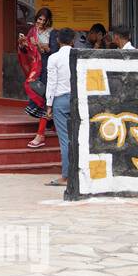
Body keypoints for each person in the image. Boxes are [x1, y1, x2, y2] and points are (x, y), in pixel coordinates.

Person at [18, 7, 56, 148]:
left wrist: (38, 44)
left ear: (48, 21)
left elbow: (52, 50)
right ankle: (49, 125)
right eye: (39, 19)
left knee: (47, 98)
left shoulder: (52, 32)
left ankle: (41, 133)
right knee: (42, 97)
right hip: (36, 68)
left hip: (48, 68)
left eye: (43, 20)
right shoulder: (32, 31)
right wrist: (23, 44)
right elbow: (27, 51)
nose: (40, 22)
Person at [44, 28, 76, 187]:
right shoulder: (77, 56)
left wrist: (48, 105)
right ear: (73, 40)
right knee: (78, 137)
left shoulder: (53, 58)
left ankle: (66, 176)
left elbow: (52, 83)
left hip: (60, 100)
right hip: (76, 100)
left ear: (58, 40)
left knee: (65, 140)